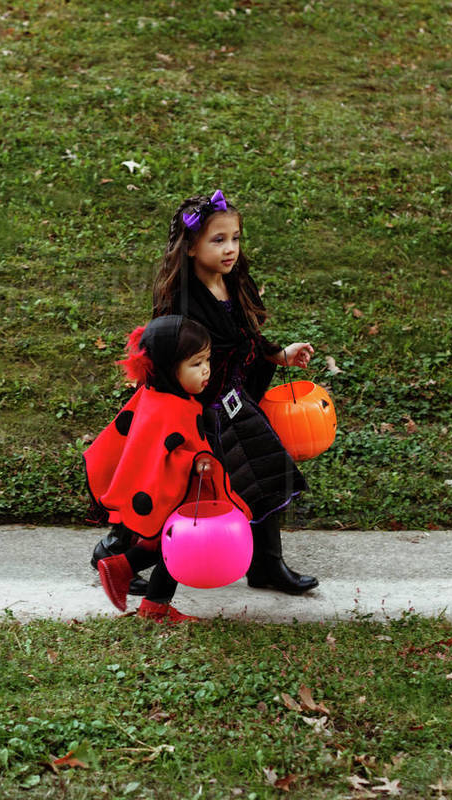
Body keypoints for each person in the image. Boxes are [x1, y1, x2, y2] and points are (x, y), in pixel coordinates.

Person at [151, 190, 319, 595]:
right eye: (218, 240)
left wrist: (280, 355)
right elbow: (170, 361)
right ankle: (117, 553)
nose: (231, 249)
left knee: (263, 476)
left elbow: (247, 340)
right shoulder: (182, 302)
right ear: (190, 247)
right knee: (184, 492)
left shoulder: (236, 285)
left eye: (236, 238)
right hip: (202, 411)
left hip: (235, 403)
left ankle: (266, 566)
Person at [83, 315, 251, 623]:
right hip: (169, 491)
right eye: (195, 363)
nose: (206, 370)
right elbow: (158, 455)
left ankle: (122, 568)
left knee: (164, 544)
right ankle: (154, 607)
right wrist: (194, 460)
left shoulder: (160, 394)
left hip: (169, 492)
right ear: (167, 367)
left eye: (207, 360)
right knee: (176, 547)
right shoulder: (170, 409)